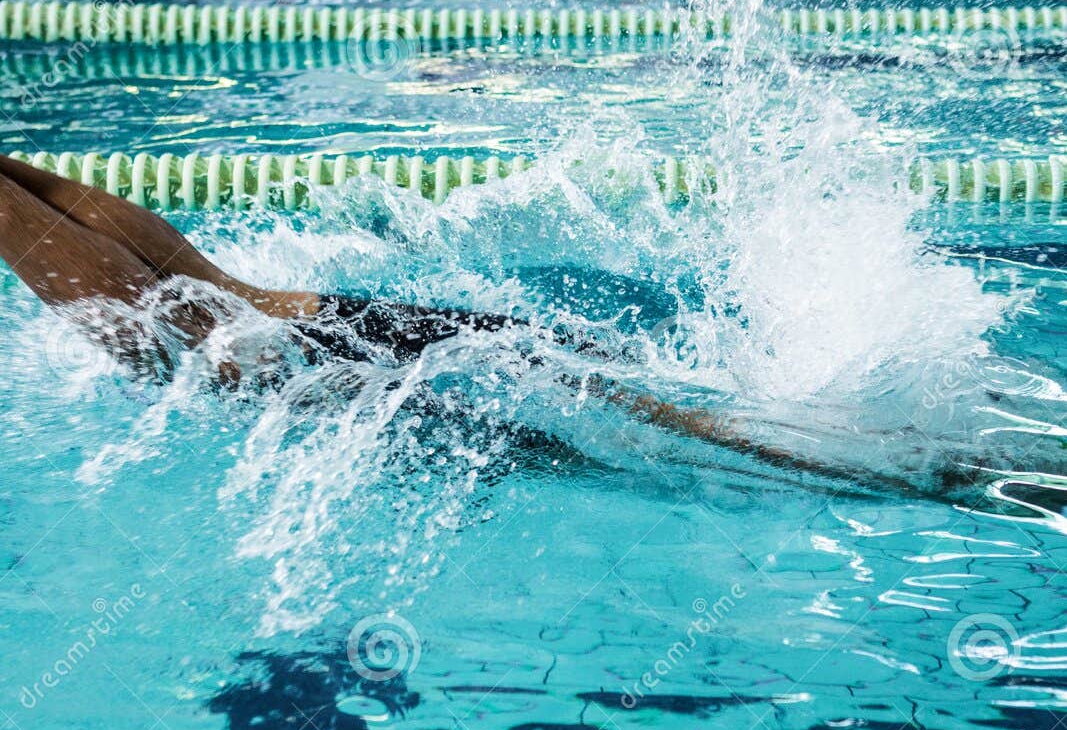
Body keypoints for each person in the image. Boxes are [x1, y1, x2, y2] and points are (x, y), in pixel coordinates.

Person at [0, 155, 943, 493]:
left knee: (192, 318)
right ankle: (874, 459)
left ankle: (882, 467)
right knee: (197, 315)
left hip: (320, 341)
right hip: (336, 320)